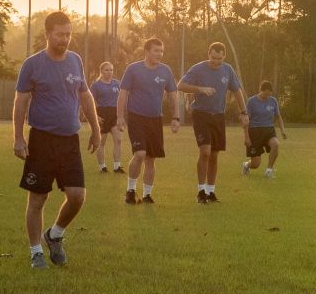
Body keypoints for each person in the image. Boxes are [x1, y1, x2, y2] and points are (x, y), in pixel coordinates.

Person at [12, 11, 101, 268]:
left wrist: (95, 129)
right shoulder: (33, 64)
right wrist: (18, 138)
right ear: (48, 34)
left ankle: (55, 234)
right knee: (38, 199)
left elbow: (85, 96)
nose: (65, 39)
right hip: (41, 139)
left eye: (68, 34)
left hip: (70, 139)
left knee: (77, 196)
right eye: (60, 34)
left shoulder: (75, 61)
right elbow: (21, 102)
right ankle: (35, 251)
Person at [179, 41, 247, 203]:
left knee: (215, 155)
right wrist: (200, 89)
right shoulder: (198, 68)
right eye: (214, 57)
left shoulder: (228, 70)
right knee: (205, 152)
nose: (216, 61)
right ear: (208, 53)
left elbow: (237, 91)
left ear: (224, 57)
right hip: (201, 114)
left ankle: (211, 191)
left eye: (220, 59)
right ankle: (201, 190)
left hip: (218, 116)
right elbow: (181, 85)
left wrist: (243, 112)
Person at [118, 37, 181, 205]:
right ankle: (130, 190)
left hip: (156, 119)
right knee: (140, 154)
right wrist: (119, 116)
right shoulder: (133, 69)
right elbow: (123, 93)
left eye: (161, 51)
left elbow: (173, 95)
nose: (160, 54)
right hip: (136, 117)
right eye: (156, 51)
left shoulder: (165, 71)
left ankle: (147, 195)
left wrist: (175, 117)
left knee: (151, 159)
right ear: (147, 52)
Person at [242, 80, 287, 178]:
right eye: (266, 93)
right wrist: (246, 137)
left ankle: (269, 171)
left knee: (275, 144)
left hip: (269, 130)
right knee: (256, 164)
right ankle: (246, 165)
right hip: (255, 132)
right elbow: (245, 121)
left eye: (270, 93)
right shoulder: (251, 101)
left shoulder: (273, 101)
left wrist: (282, 131)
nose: (268, 96)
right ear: (261, 90)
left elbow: (278, 116)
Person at [89, 61, 123, 173]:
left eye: (111, 70)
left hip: (114, 114)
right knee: (101, 142)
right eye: (107, 70)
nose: (109, 72)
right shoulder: (96, 85)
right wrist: (96, 116)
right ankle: (102, 167)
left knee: (118, 140)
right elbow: (90, 101)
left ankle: (117, 166)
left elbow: (122, 99)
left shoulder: (117, 84)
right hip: (102, 114)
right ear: (101, 71)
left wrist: (121, 116)